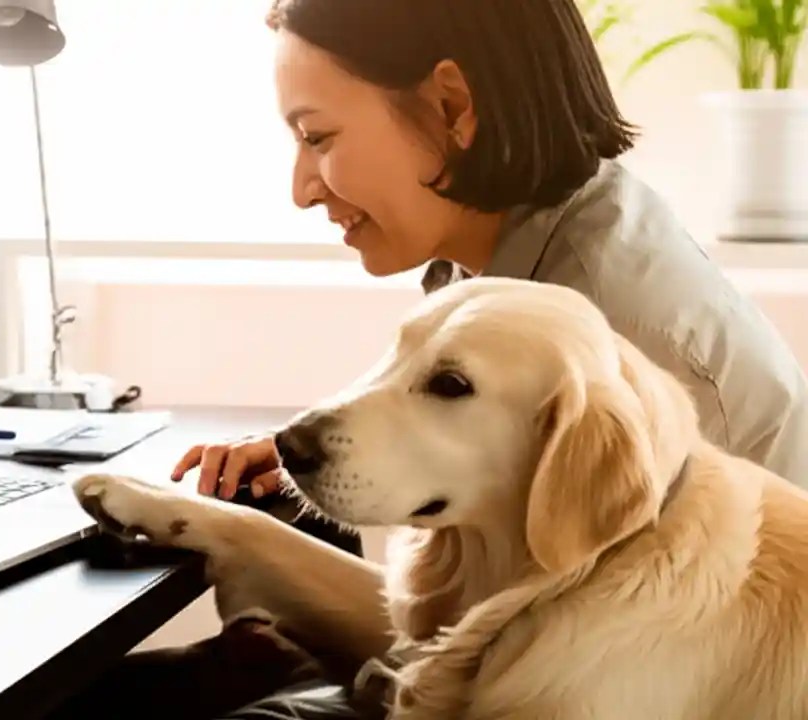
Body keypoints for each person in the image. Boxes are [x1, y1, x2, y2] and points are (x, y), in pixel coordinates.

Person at [48, 0, 808, 718]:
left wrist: (222, 533)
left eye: (318, 138)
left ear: (451, 107)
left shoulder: (625, 342)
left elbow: (487, 664)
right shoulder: (529, 246)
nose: (301, 189)